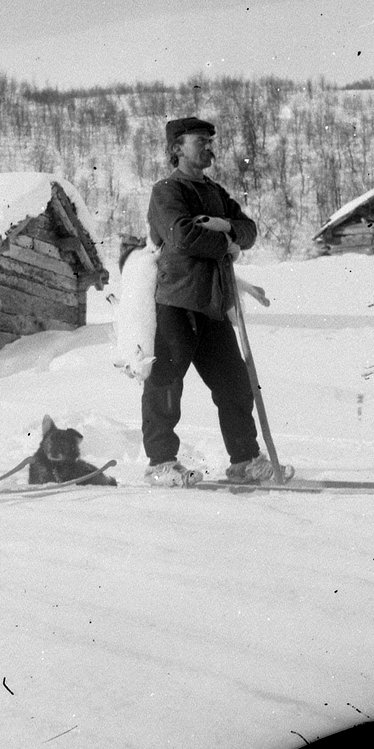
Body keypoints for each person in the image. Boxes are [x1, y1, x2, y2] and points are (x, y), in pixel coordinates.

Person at [141, 116, 292, 487]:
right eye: (201, 141)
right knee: (166, 382)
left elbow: (250, 230)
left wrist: (226, 228)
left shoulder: (216, 192)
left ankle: (244, 462)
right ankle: (160, 463)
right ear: (177, 148)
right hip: (176, 302)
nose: (210, 147)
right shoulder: (167, 191)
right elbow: (183, 237)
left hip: (212, 304)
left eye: (211, 140)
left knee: (235, 385)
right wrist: (227, 243)